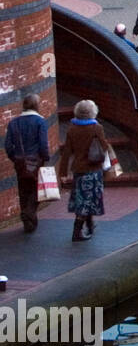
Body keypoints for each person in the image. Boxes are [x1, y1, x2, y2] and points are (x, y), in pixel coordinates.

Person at [57, 99, 111, 242]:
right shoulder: (97, 128)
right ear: (93, 112)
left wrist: (63, 173)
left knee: (84, 198)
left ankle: (90, 224)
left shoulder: (72, 128)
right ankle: (77, 232)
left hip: (78, 170)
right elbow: (104, 147)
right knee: (87, 201)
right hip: (93, 170)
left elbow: (67, 152)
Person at [4, 94, 50, 233]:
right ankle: (28, 213)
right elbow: (43, 144)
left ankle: (28, 223)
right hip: (35, 161)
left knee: (23, 190)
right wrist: (45, 157)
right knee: (36, 190)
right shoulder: (40, 122)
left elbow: (7, 146)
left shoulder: (13, 123)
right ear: (36, 105)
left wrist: (16, 158)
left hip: (20, 162)